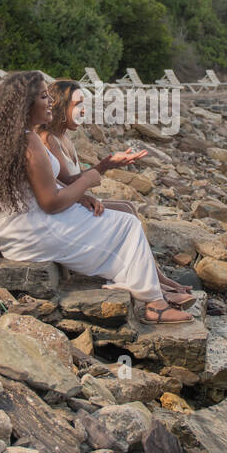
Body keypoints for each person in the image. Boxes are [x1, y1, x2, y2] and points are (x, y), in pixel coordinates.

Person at [0, 71, 193, 324]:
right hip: (33, 231)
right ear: (26, 103)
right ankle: (155, 305)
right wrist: (87, 182)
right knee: (127, 225)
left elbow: (40, 187)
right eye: (44, 96)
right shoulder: (30, 141)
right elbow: (51, 202)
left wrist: (80, 195)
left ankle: (147, 288)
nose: (50, 103)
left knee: (120, 219)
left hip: (15, 229)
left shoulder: (6, 138)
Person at [39, 79, 194, 305]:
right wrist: (106, 165)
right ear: (62, 107)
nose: (84, 110)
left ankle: (157, 278)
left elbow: (73, 179)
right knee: (127, 215)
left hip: (72, 199)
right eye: (79, 104)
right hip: (63, 207)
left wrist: (109, 163)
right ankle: (154, 284)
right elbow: (69, 182)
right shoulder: (48, 139)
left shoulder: (64, 137)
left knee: (129, 207)